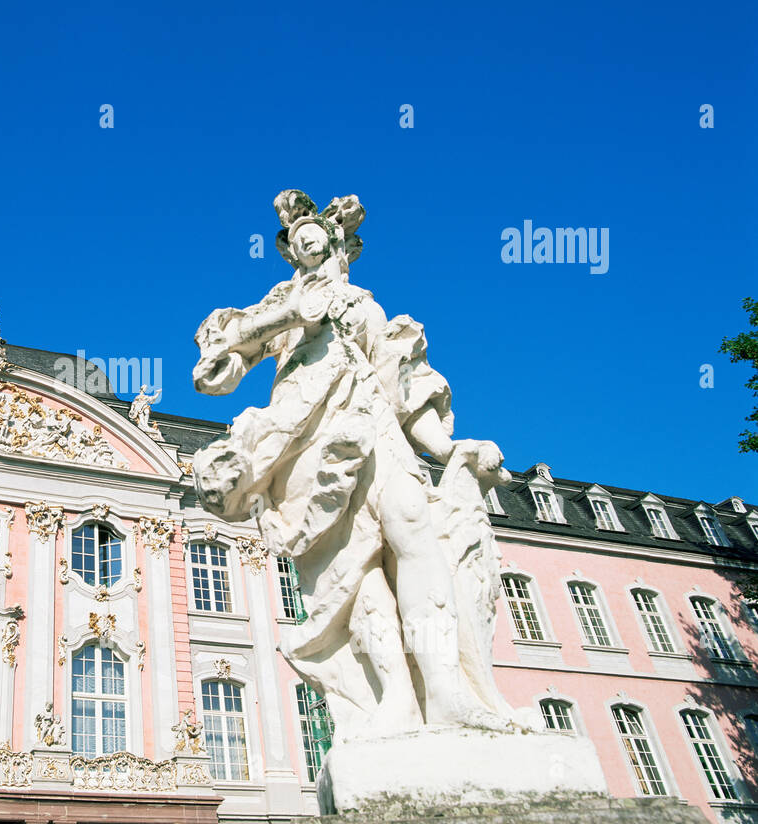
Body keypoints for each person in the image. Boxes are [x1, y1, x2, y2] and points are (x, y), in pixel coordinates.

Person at [192, 190, 527, 740]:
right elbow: (213, 372)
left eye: (319, 238)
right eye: (298, 242)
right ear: (292, 254)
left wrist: (445, 449)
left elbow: (405, 388)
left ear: (339, 246)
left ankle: (444, 689)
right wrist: (285, 315)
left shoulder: (366, 307)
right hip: (305, 444)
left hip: (374, 427)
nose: (309, 247)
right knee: (354, 570)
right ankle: (394, 697)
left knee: (414, 528)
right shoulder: (280, 300)